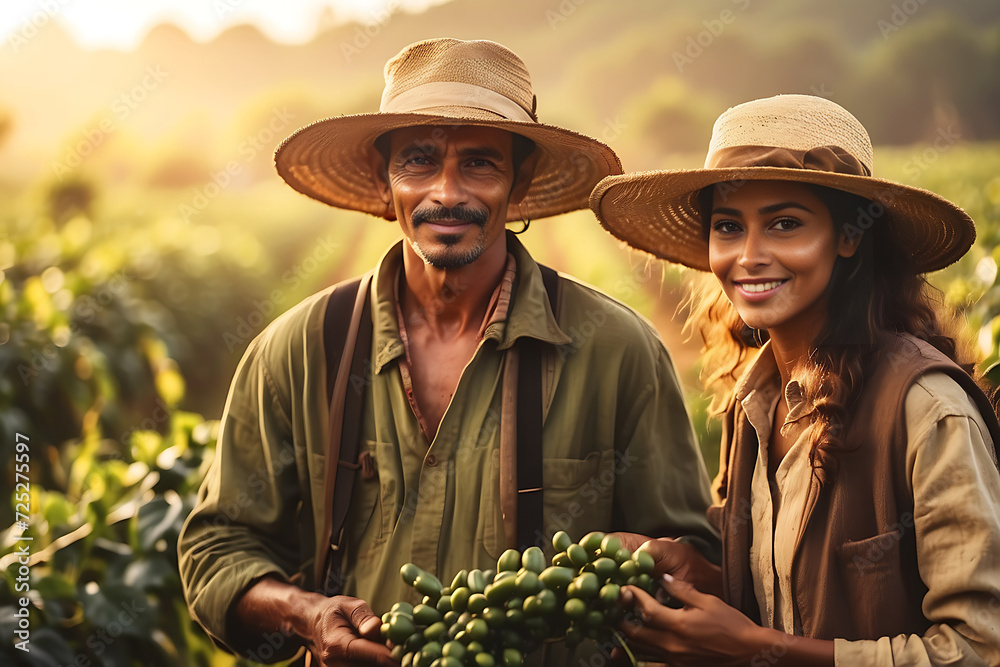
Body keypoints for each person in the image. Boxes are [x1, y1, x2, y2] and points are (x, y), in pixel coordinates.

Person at [178, 38, 719, 666]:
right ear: (386, 183)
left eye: (481, 163)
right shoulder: (299, 349)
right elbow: (218, 546)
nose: (447, 192)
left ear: (520, 185)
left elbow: (697, 567)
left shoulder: (617, 353)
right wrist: (306, 614)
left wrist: (666, 570)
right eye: (418, 160)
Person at [590, 94, 1000, 666]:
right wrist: (701, 575)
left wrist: (756, 650)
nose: (749, 256)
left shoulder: (926, 410)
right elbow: (787, 596)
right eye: (728, 227)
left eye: (785, 224)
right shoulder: (753, 405)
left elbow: (978, 649)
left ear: (850, 236)